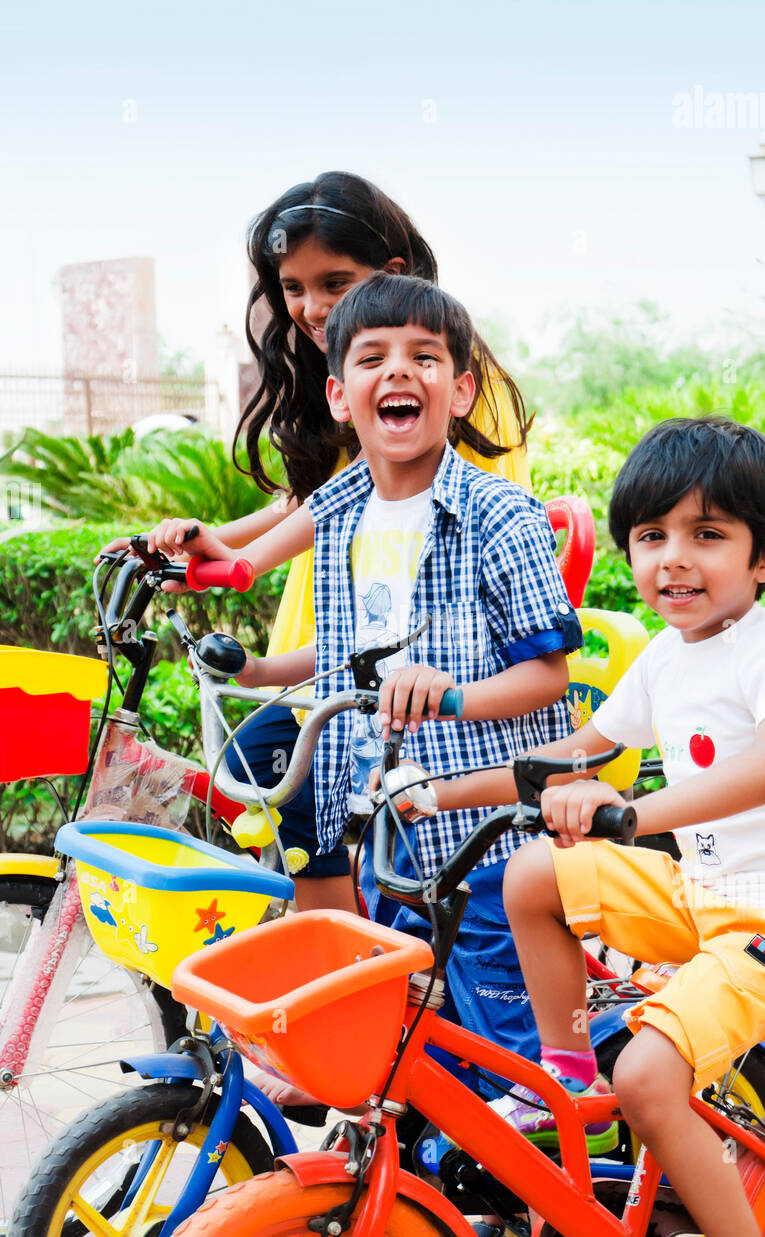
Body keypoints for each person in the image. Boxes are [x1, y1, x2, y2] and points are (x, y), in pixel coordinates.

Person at [434, 416, 765, 1237]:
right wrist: (428, 792)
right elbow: (576, 753)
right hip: (705, 902)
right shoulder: (666, 656)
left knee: (648, 1074)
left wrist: (628, 811)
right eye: (650, 535)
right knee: (533, 875)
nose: (673, 557)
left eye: (707, 535)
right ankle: (561, 1083)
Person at [183, 271, 580, 1086]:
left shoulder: (499, 515)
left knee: (514, 1049)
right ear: (338, 395)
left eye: (424, 358)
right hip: (386, 824)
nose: (399, 373)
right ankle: (445, 1191)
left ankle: (543, 1185)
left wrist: (450, 694)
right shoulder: (342, 510)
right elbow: (349, 649)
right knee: (419, 1025)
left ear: (461, 390)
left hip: (489, 832)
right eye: (372, 359)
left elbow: (548, 674)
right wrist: (256, 669)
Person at [104, 172, 535, 914]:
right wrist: (204, 550)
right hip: (327, 655)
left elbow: (411, 509)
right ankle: (347, 982)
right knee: (268, 787)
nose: (308, 307)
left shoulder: (442, 382)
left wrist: (231, 560)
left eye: (333, 281)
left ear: (391, 275)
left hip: (403, 666)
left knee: (315, 820)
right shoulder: (348, 374)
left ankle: (350, 996)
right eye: (291, 288)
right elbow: (317, 500)